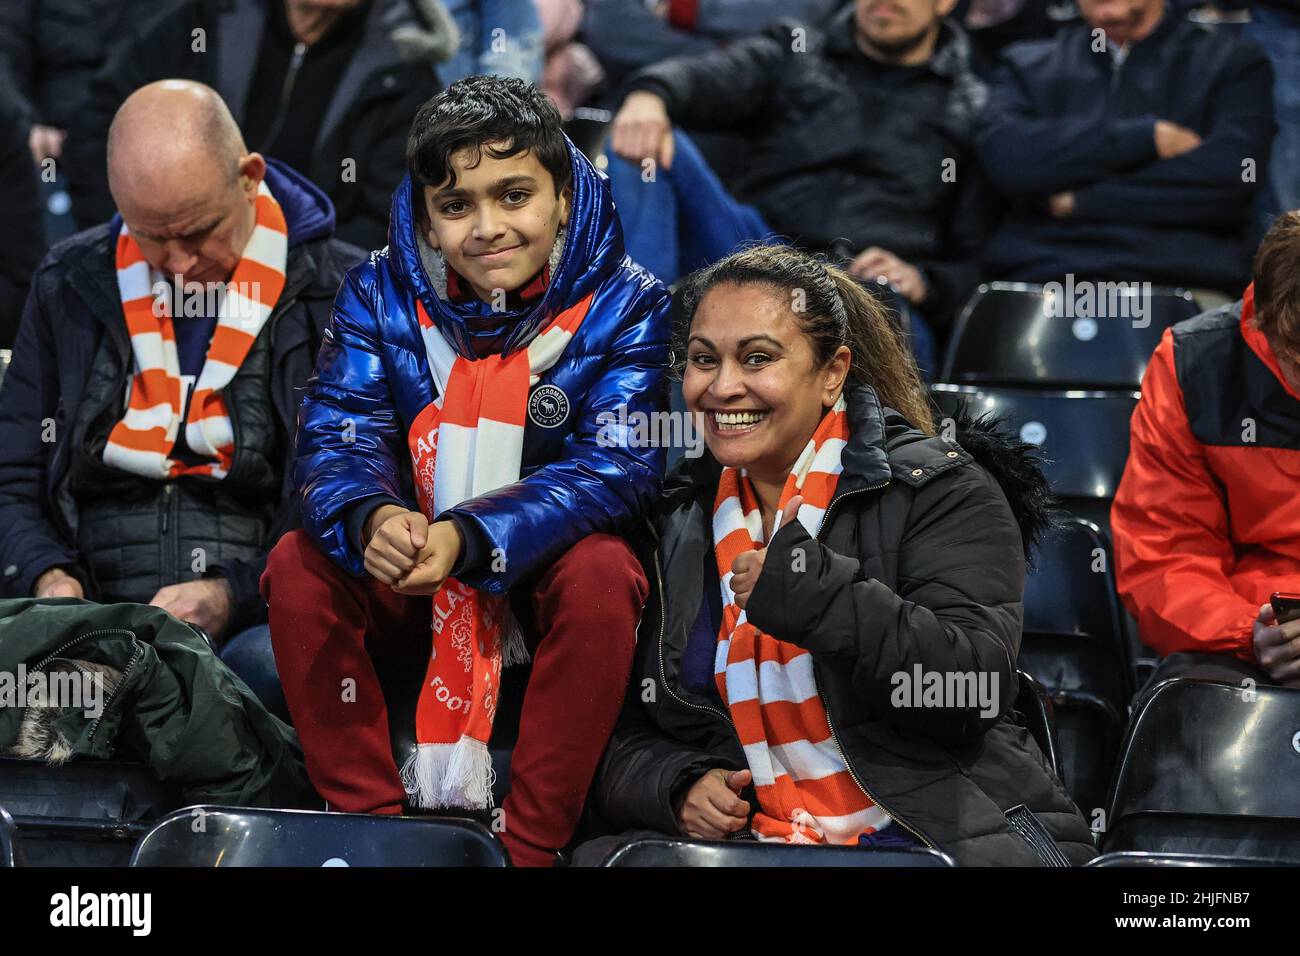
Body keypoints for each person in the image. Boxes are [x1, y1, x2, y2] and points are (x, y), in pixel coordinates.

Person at [260, 76, 671, 867]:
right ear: (425, 216)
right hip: (413, 565)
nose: (488, 227)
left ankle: (531, 848)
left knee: (602, 573)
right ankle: (368, 830)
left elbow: (620, 468)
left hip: (537, 573)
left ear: (563, 195)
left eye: (514, 195)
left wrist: (473, 535)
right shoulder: (376, 290)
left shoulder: (632, 302)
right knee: (297, 565)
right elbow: (336, 439)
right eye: (456, 206)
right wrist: (371, 519)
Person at [581, 244, 1097, 866]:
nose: (722, 387)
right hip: (758, 846)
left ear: (833, 373)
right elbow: (619, 732)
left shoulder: (939, 488)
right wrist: (676, 783)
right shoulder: (675, 517)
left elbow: (972, 690)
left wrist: (817, 595)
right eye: (702, 360)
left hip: (933, 839)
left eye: (758, 358)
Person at [0, 81, 363, 719]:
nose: (176, 264)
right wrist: (47, 579)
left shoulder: (340, 293)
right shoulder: (69, 282)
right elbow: (13, 473)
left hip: (257, 612)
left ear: (249, 178)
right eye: (148, 236)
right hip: (89, 601)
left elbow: (349, 491)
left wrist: (234, 594)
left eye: (197, 233)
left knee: (268, 666)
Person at [605, 0, 996, 368]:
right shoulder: (797, 50)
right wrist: (651, 94)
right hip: (754, 248)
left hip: (865, 284)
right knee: (638, 142)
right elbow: (710, 77)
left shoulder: (973, 105)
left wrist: (925, 280)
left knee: (892, 320)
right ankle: (637, 349)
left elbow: (976, 260)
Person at [63, 0, 459, 250]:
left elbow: (393, 217)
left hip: (310, 297)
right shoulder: (206, 21)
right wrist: (141, 233)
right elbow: (100, 125)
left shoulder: (403, 68)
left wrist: (288, 274)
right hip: (165, 259)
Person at [1112, 211, 1300, 690]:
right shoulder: (1193, 366)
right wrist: (1250, 634)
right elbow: (1165, 555)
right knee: (1189, 724)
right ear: (1271, 331)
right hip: (1251, 634)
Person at [974, 0, 1275, 297]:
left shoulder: (1231, 62)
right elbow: (1006, 160)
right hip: (1039, 284)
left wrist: (1080, 200)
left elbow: (1233, 177)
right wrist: (1145, 138)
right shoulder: (1025, 64)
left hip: (1184, 283)